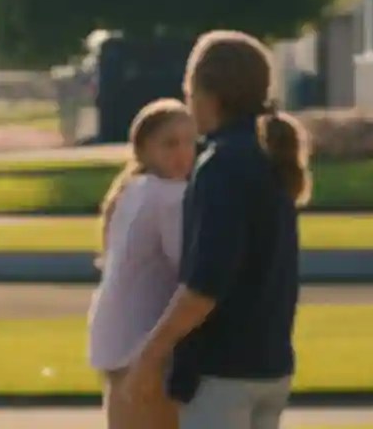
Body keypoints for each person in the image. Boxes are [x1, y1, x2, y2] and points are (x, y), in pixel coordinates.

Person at [124, 30, 308, 429]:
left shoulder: (221, 164)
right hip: (270, 363)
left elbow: (205, 285)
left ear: (210, 93)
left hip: (222, 372)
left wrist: (151, 354)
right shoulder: (270, 156)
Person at [88, 98, 195, 429]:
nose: (183, 153)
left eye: (190, 142)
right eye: (170, 144)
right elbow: (194, 272)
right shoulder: (169, 196)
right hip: (144, 344)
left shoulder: (130, 190)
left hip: (112, 338)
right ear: (145, 149)